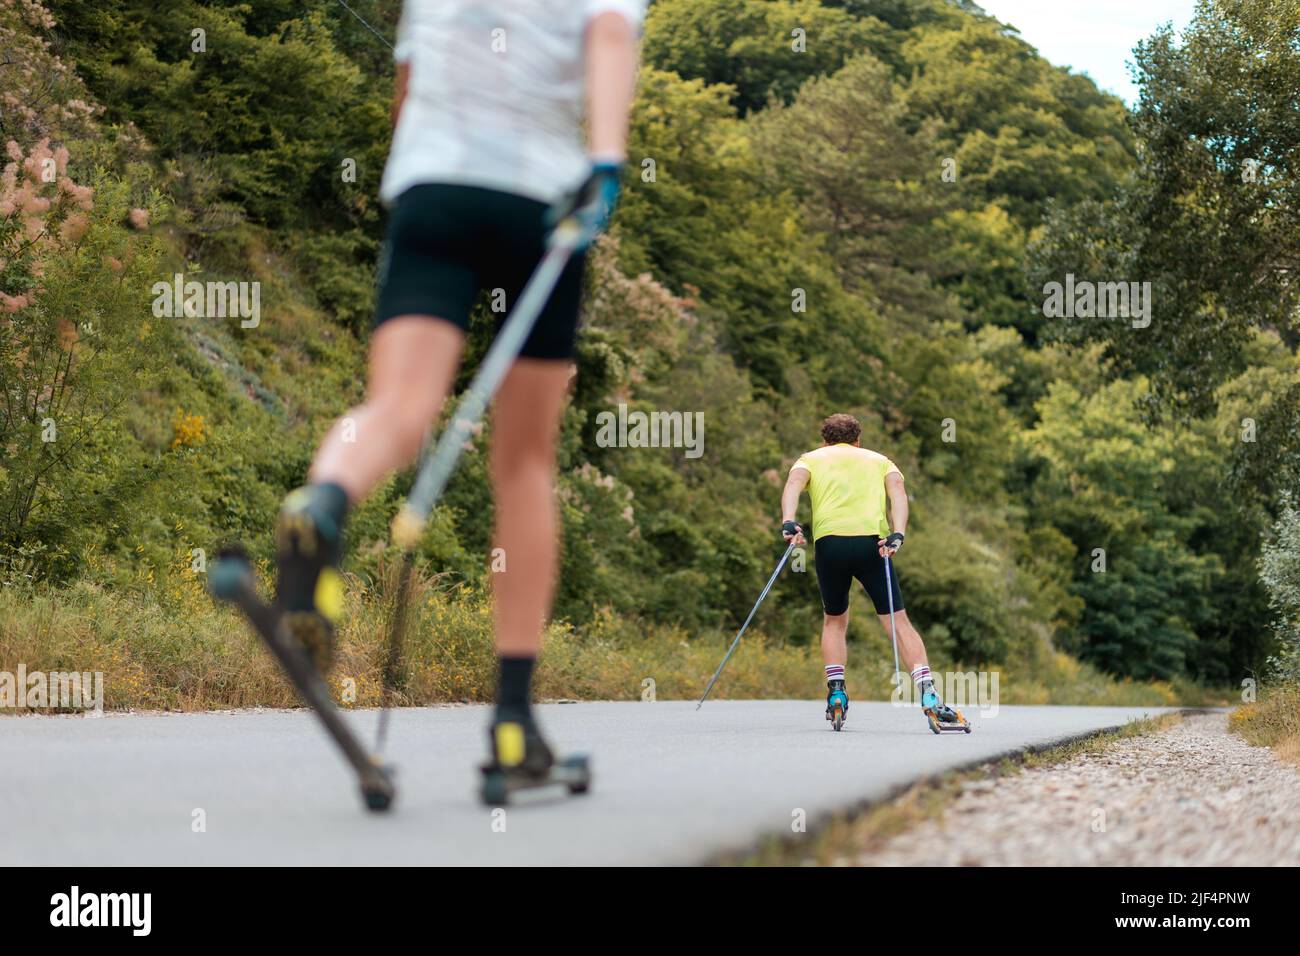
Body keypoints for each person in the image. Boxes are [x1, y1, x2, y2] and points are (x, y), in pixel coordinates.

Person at [272, 0, 645, 785]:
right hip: (542, 201)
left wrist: (413, 195)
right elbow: (609, 33)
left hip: (431, 188)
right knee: (523, 462)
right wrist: (606, 161)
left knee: (398, 409)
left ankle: (323, 504)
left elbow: (408, 86)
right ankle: (513, 721)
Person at [780, 413, 960, 728]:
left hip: (830, 544)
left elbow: (793, 484)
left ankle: (836, 693)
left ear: (825, 440)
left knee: (834, 621)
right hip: (873, 545)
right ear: (858, 439)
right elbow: (898, 494)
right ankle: (928, 694)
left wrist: (789, 521)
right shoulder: (880, 461)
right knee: (898, 622)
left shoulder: (810, 459)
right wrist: (898, 533)